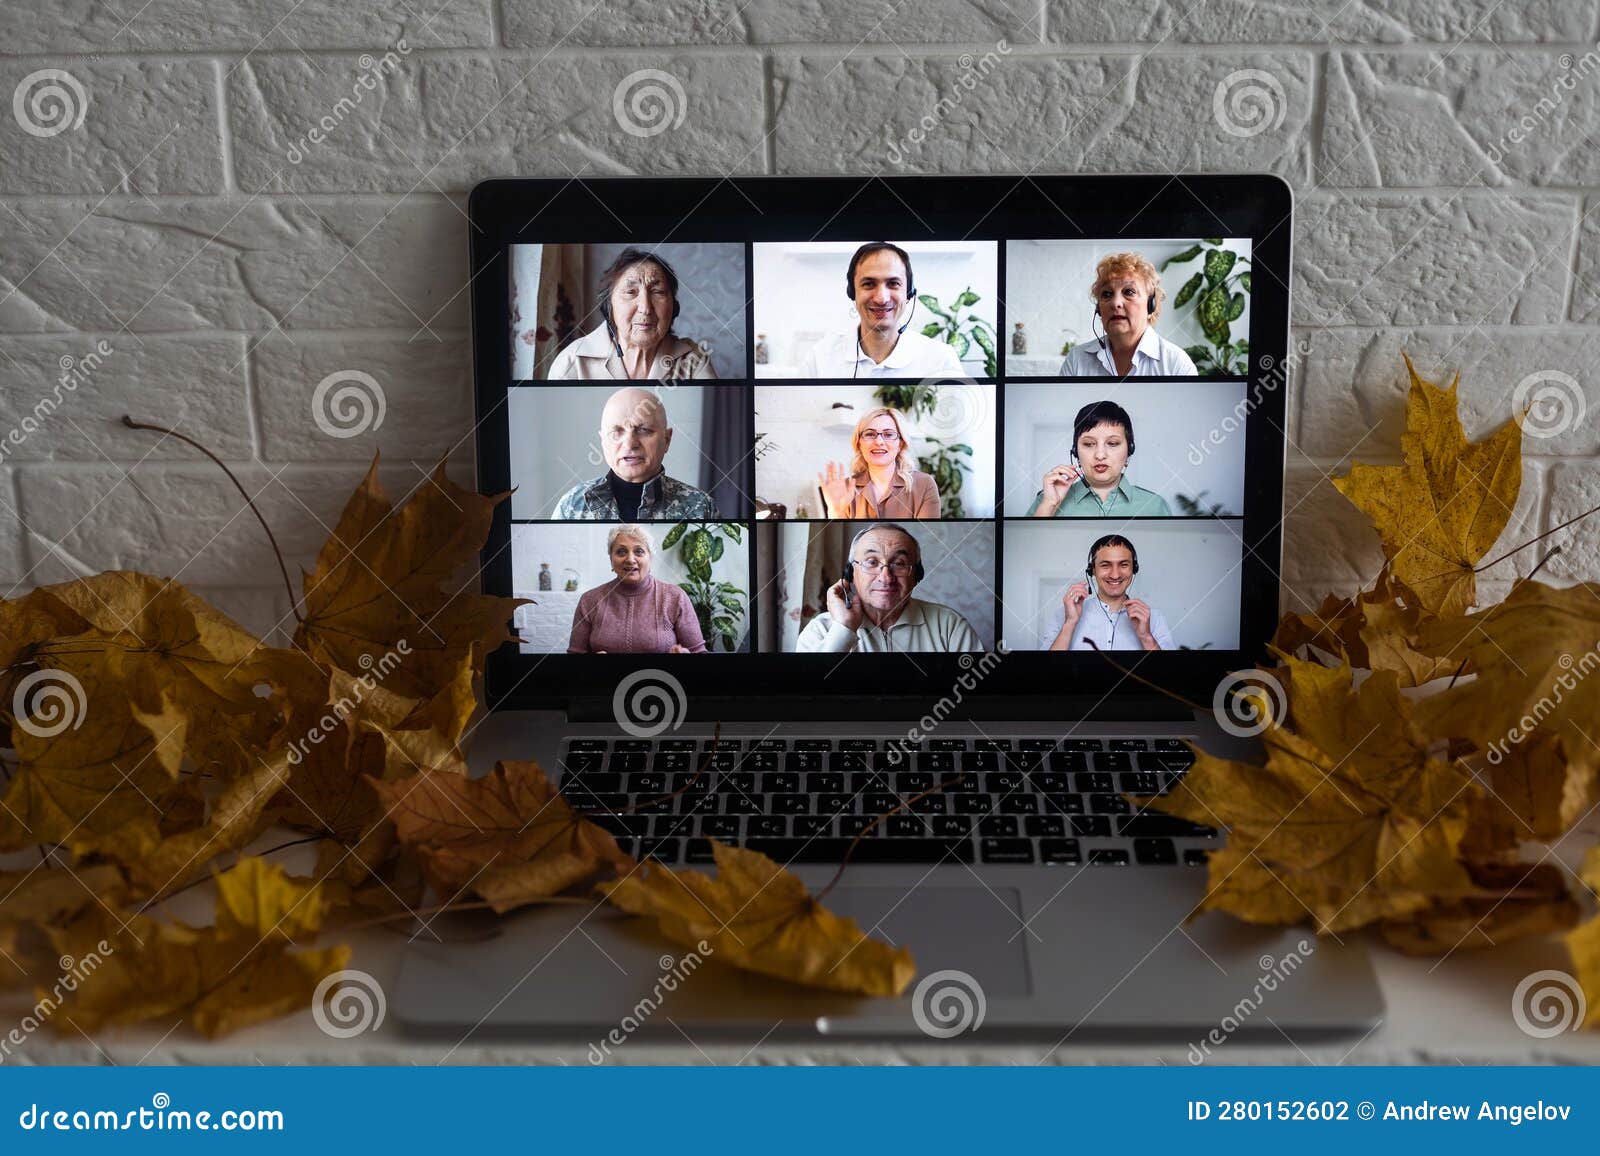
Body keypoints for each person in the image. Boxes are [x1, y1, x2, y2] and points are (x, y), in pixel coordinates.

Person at [796, 523, 980, 652]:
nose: (886, 577)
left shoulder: (950, 626)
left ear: (917, 574)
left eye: (899, 563)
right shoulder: (820, 630)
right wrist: (844, 628)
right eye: (872, 562)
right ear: (851, 573)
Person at [801, 242, 966, 379]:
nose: (881, 298)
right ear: (852, 292)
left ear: (909, 293)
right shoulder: (819, 359)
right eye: (869, 284)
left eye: (893, 284)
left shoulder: (941, 359)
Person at [548, 248, 716, 380]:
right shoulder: (572, 362)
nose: (645, 308)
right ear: (608, 306)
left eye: (658, 292)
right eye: (630, 292)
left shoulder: (693, 360)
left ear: (674, 307)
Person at [555, 387, 718, 519]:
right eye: (617, 432)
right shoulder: (571, 505)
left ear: (667, 440)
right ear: (603, 441)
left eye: (644, 430)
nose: (630, 444)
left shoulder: (701, 507)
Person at [568, 525, 707, 654]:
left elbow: (699, 654)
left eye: (639, 551)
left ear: (650, 558)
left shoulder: (675, 597)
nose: (630, 559)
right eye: (621, 552)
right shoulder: (589, 600)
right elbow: (573, 658)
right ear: (611, 559)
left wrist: (686, 657)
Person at [1060, 252, 1199, 377]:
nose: (1115, 303)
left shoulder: (1176, 365)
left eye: (1129, 292)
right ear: (1098, 309)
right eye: (1107, 294)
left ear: (1151, 305)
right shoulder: (1076, 361)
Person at [1025, 400, 1171, 517]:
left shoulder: (1155, 506)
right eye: (1089, 444)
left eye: (1112, 443)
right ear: (1075, 451)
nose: (1100, 455)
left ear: (1129, 450)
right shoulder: (1046, 500)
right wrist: (1049, 505)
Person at [1043, 534, 1174, 651]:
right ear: (1092, 570)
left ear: (1134, 569)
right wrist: (1069, 623)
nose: (1115, 575)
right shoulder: (1064, 616)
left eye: (1123, 565)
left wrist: (1146, 637)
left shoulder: (1155, 618)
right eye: (1105, 565)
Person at [816, 407, 941, 519]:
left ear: (901, 444)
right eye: (870, 434)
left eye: (888, 434)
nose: (879, 441)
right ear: (859, 444)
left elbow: (925, 534)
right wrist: (836, 511)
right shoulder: (845, 489)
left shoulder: (924, 484)